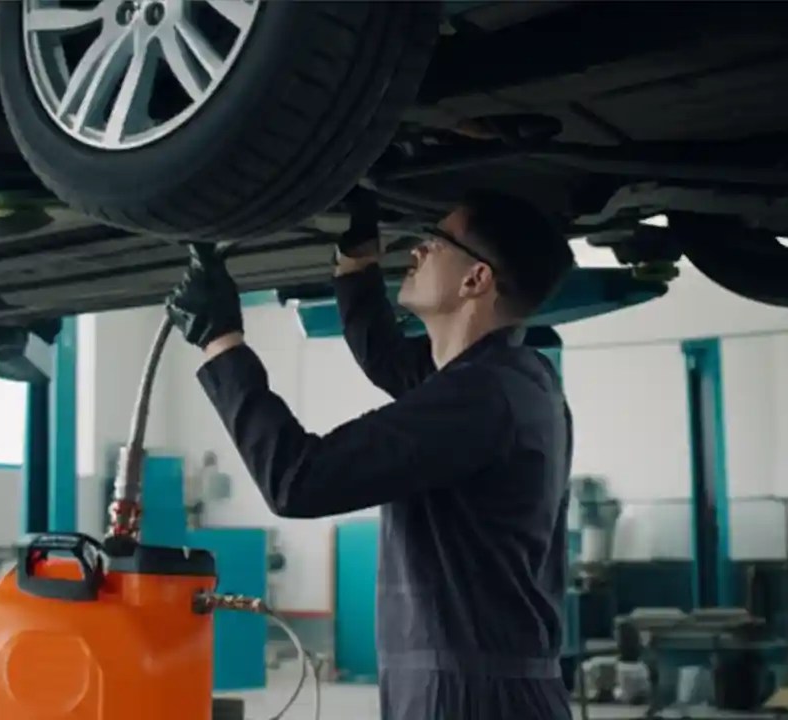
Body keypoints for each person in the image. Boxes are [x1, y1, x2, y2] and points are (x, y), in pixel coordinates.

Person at [165, 189, 576, 719]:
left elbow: (298, 480)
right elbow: (391, 361)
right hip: (477, 685)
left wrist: (221, 342)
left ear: (475, 279)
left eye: (435, 241)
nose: (418, 250)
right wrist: (357, 264)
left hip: (469, 699)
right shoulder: (514, 379)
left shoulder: (483, 398)